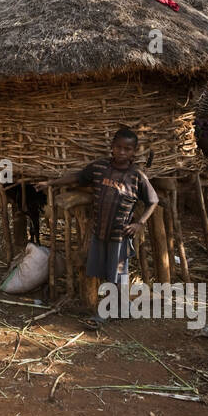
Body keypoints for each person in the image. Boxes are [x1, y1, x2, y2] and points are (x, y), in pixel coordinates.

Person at [38, 127, 158, 317]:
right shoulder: (100, 167)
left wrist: (139, 223)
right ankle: (108, 307)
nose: (122, 152)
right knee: (101, 271)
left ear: (134, 152)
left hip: (119, 236)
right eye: (118, 147)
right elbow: (77, 177)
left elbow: (153, 201)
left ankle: (117, 310)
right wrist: (51, 184)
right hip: (99, 233)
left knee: (118, 274)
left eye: (127, 149)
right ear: (112, 147)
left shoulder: (137, 176)